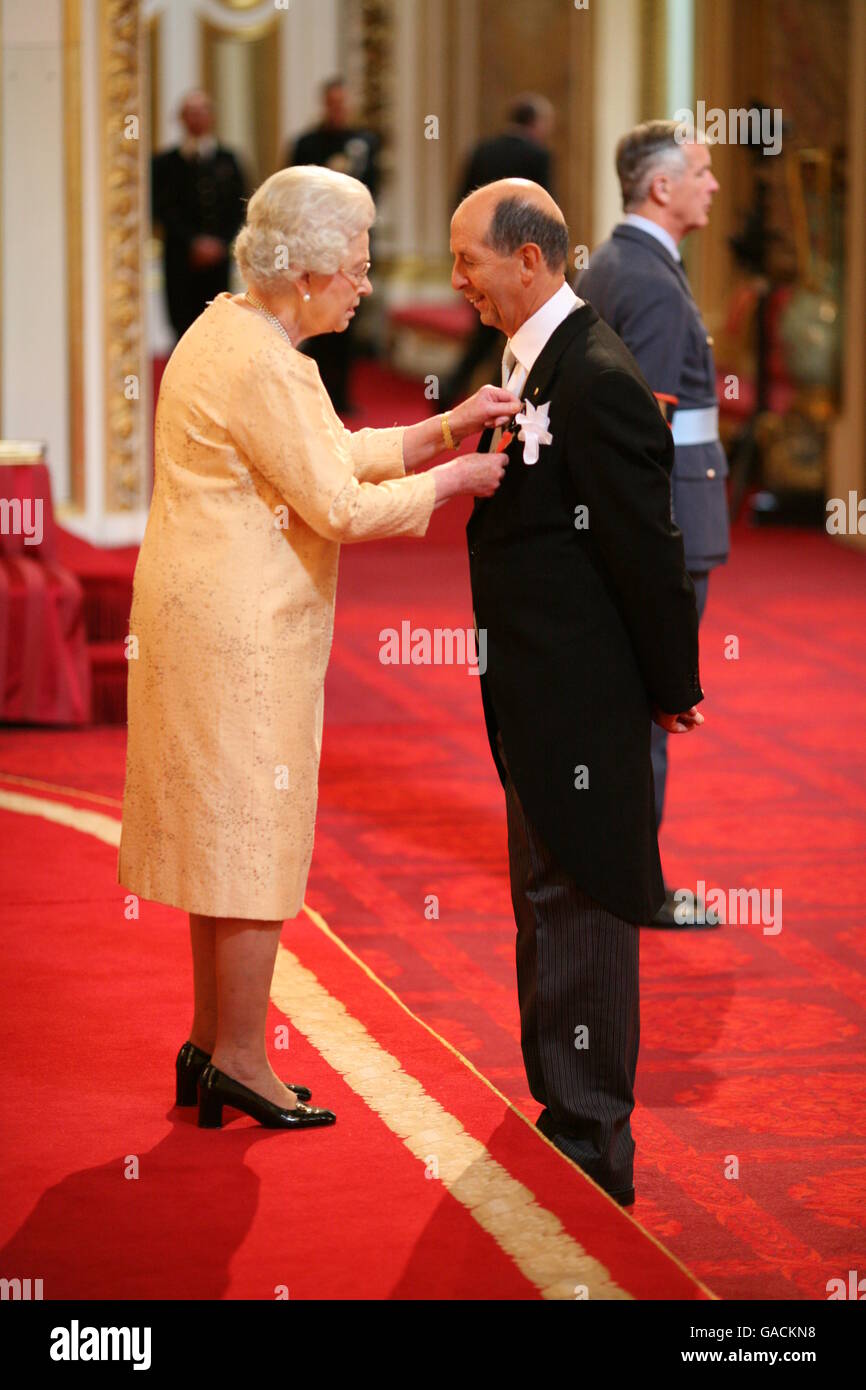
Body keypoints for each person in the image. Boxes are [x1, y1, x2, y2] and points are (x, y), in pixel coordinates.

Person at [118, 166, 519, 1134]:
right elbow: (335, 503)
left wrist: (439, 427)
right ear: (301, 272)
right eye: (354, 264)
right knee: (250, 836)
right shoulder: (264, 360)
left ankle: (213, 1042)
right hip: (238, 631)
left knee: (217, 831)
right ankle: (245, 1058)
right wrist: (459, 475)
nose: (366, 283)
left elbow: (323, 449)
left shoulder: (229, 329)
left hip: (196, 612)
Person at [452, 178, 704, 1205]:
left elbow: (645, 546)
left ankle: (596, 1134)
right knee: (545, 895)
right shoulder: (526, 358)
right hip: (535, 685)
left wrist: (670, 682)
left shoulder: (592, 373)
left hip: (582, 695)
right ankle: (562, 1108)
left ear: (528, 258)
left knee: (584, 895)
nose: (457, 276)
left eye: (468, 257)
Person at [577, 121, 730, 928]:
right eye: (701, 172)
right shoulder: (653, 283)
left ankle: (624, 873)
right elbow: (650, 432)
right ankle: (644, 887)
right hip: (671, 521)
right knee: (657, 712)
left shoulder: (616, 265)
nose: (712, 185)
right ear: (662, 188)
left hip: (649, 520)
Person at [441, 95, 556, 412]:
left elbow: (461, 200)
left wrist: (467, 253)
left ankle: (457, 387)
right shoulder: (538, 154)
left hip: (479, 256)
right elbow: (542, 213)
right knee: (508, 330)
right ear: (535, 123)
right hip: (516, 260)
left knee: (485, 331)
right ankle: (504, 394)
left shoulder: (482, 149)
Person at [285, 78, 380, 413]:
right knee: (318, 321)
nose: (339, 109)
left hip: (353, 244)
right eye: (333, 103)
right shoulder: (306, 144)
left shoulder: (366, 141)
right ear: (325, 104)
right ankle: (316, 395)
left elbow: (373, 193)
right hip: (316, 247)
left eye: (344, 103)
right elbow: (297, 195)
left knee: (348, 322)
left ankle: (341, 396)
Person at [151, 90, 246, 341]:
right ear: (181, 118)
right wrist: (193, 243)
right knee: (183, 329)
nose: (197, 118)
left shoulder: (229, 160)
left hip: (217, 261)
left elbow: (241, 206)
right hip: (181, 261)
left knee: (217, 328)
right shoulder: (164, 163)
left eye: (203, 112)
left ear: (212, 117)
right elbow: (161, 210)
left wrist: (220, 243)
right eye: (191, 113)